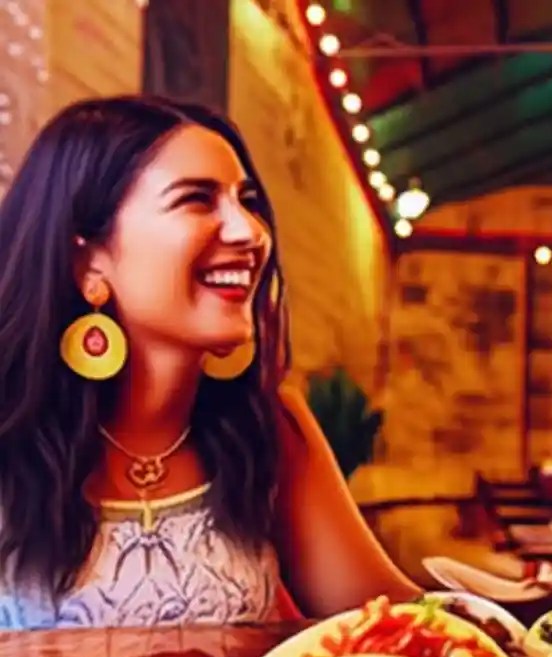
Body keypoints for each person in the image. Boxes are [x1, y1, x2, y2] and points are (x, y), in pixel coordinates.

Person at [0, 96, 423, 628]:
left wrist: (547, 618)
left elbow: (393, 625)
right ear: (87, 257)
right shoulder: (10, 432)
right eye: (197, 200)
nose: (251, 232)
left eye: (245, 200)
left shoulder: (267, 432)